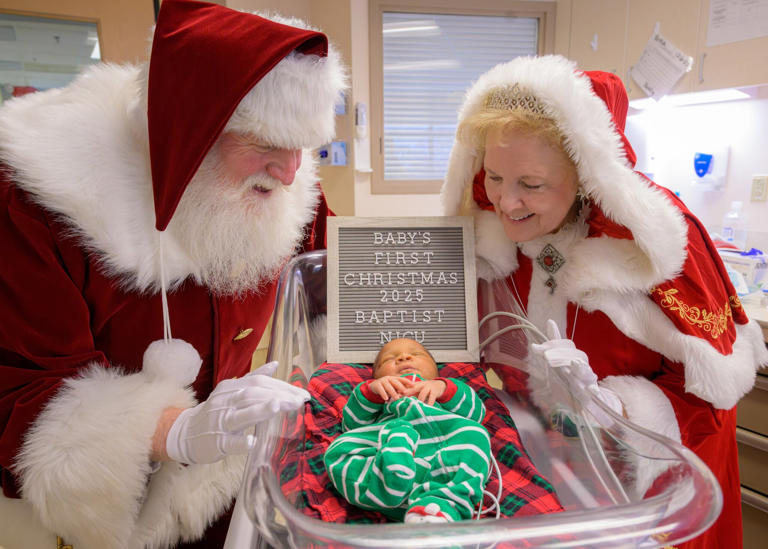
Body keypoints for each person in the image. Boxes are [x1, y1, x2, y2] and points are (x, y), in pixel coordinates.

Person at [0, 0, 346, 547]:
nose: (290, 173)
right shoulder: (40, 199)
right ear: (186, 134)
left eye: (303, 149)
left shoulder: (292, 184)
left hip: (231, 474)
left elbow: (327, 295)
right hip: (108, 505)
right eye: (264, 147)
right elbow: (23, 383)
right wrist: (174, 432)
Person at [440, 54, 767, 548]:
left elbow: (711, 394)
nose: (506, 202)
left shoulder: (656, 246)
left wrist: (615, 410)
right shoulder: (494, 233)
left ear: (588, 177)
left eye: (531, 184)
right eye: (494, 176)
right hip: (539, 481)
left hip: (651, 499)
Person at [323, 338, 492, 523]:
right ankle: (389, 483)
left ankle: (438, 507)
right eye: (388, 359)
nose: (404, 357)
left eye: (417, 354)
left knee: (475, 434)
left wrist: (444, 388)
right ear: (377, 376)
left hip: (440, 446)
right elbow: (351, 424)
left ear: (435, 370)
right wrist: (370, 391)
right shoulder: (379, 395)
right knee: (337, 449)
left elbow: (476, 413)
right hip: (388, 445)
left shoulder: (443, 388)